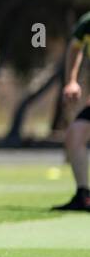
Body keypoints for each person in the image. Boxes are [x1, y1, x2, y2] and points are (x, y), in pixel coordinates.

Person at [54, 11, 90, 211]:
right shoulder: (87, 23)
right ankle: (84, 197)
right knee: (75, 134)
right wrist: (72, 81)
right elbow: (75, 47)